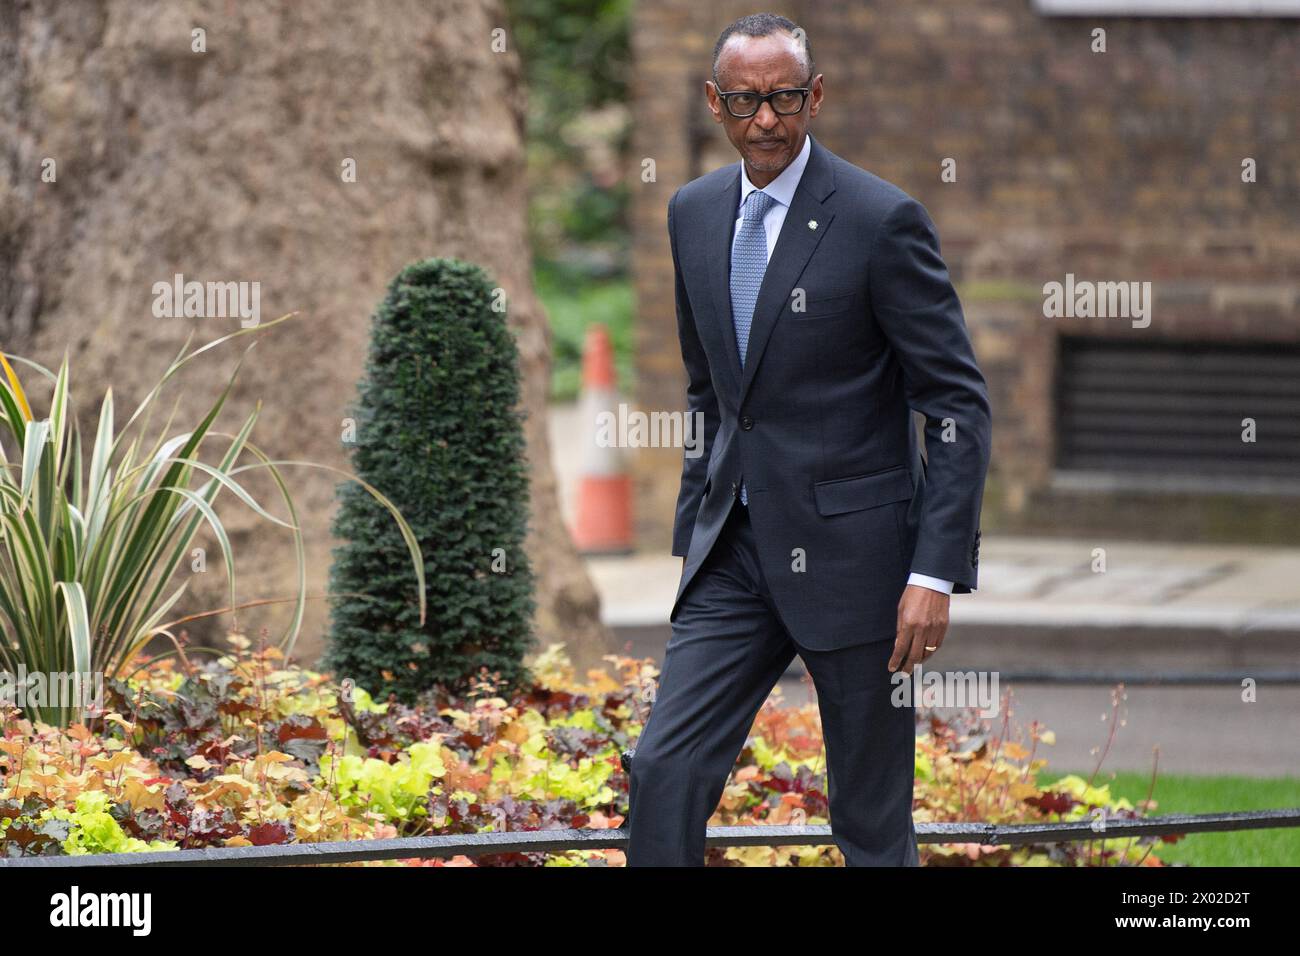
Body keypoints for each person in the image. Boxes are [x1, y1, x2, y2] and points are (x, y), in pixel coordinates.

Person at [625, 12, 992, 866]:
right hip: (734, 558)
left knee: (868, 818)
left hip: (860, 565)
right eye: (746, 100)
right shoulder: (692, 213)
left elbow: (955, 404)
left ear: (815, 96)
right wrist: (693, 538)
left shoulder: (880, 219)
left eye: (785, 97)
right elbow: (707, 394)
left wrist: (931, 572)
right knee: (663, 769)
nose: (766, 120)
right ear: (714, 103)